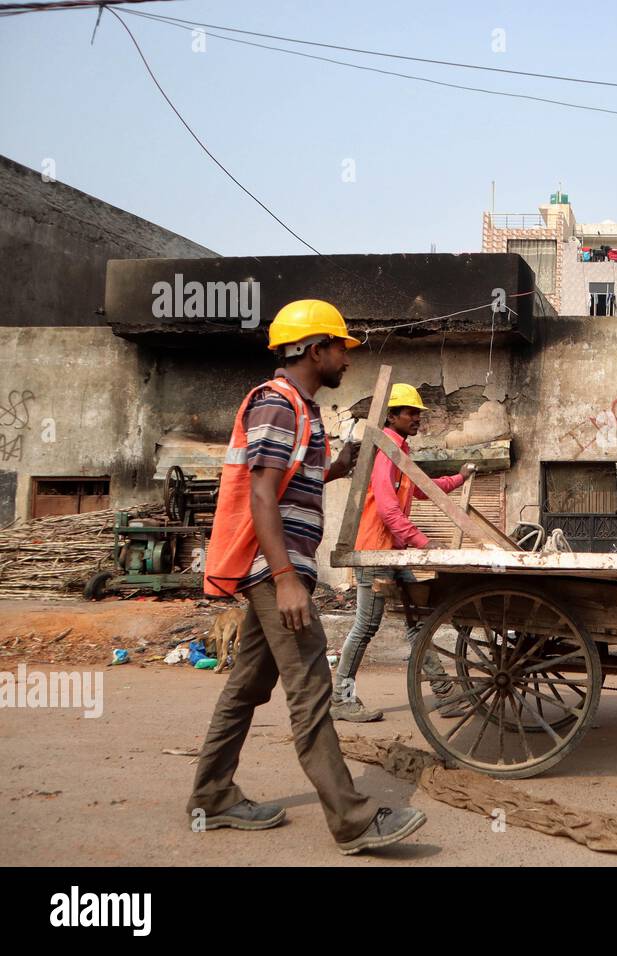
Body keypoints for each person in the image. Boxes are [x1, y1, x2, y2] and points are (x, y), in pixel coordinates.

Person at [188, 299, 426, 855]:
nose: (347, 359)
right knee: (312, 688)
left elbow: (301, 480)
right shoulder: (276, 405)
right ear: (315, 349)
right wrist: (287, 577)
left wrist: (345, 460)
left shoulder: (303, 411)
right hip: (275, 571)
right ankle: (354, 819)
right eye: (341, 348)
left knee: (246, 686)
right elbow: (263, 495)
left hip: (276, 569)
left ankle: (212, 797)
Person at [332, 383, 476, 722]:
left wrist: (459, 477)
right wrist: (424, 542)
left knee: (418, 622)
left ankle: (443, 692)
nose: (417, 419)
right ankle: (340, 698)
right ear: (392, 415)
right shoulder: (386, 454)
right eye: (411, 413)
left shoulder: (400, 451)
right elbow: (388, 511)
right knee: (366, 626)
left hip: (391, 552)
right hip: (376, 552)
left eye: (418, 414)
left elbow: (424, 489)